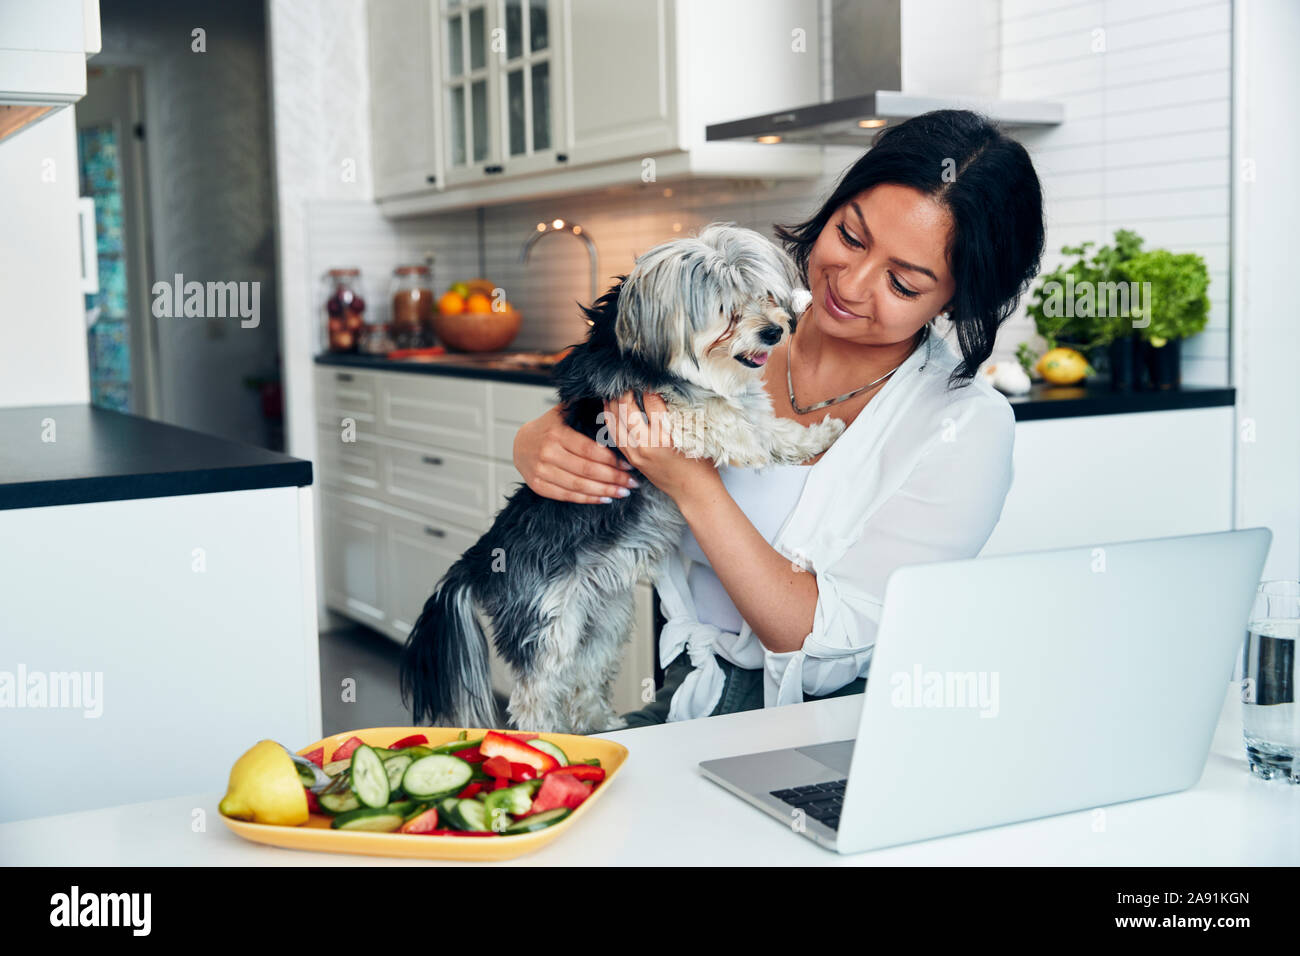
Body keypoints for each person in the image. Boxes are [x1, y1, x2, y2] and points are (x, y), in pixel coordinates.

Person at [511, 110, 1045, 726]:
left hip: (839, 725)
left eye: (902, 283)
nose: (851, 282)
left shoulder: (964, 427)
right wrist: (537, 441)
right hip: (687, 690)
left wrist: (695, 485)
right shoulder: (724, 326)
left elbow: (818, 652)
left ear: (959, 297)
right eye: (850, 236)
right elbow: (594, 412)